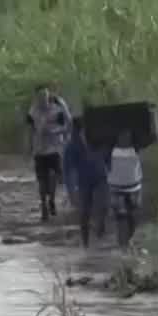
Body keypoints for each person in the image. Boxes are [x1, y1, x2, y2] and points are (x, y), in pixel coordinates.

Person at [24, 85, 73, 222]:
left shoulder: (57, 110)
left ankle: (51, 199)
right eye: (40, 97)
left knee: (53, 178)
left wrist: (55, 132)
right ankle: (44, 206)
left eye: (45, 96)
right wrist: (29, 147)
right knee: (41, 181)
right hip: (39, 151)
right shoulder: (33, 111)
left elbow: (68, 127)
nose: (43, 99)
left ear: (49, 96)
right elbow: (30, 130)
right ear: (36, 98)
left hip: (55, 149)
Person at [63, 123, 109, 247]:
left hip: (100, 178)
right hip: (83, 181)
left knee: (103, 207)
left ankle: (100, 230)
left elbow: (108, 157)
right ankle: (85, 244)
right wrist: (71, 191)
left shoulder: (99, 140)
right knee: (84, 213)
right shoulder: (72, 146)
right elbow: (68, 169)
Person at [106, 130, 143, 247]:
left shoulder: (109, 150)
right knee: (132, 214)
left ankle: (122, 242)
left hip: (116, 187)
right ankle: (130, 240)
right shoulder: (136, 148)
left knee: (120, 216)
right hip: (133, 186)